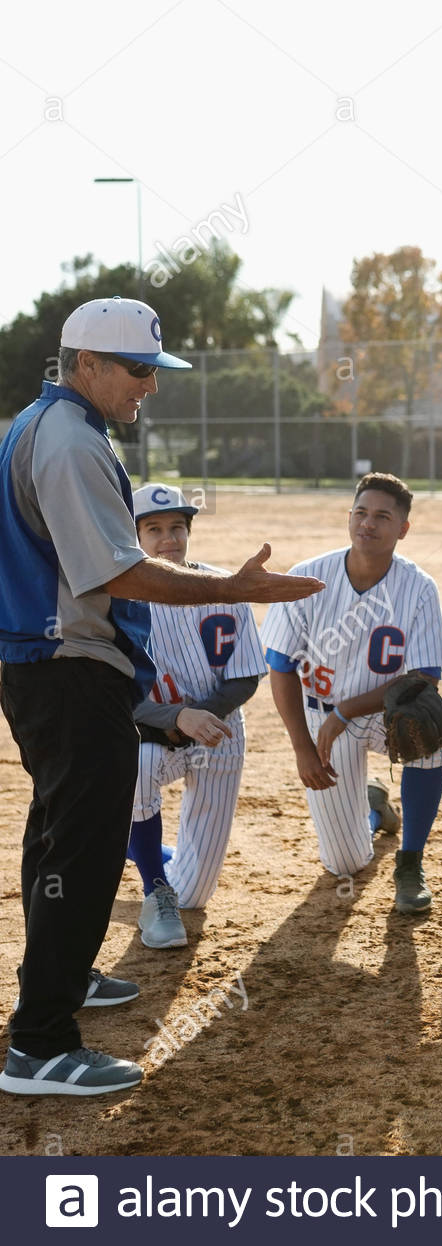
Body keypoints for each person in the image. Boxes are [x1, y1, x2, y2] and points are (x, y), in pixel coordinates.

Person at [0, 297, 323, 1097]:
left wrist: (228, 584)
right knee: (80, 843)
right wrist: (233, 586)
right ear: (86, 365)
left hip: (43, 661)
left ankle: (61, 980)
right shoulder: (72, 440)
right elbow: (117, 572)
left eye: (154, 370)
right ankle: (39, 1044)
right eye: (137, 370)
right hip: (70, 663)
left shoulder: (41, 425)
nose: (150, 385)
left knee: (58, 830)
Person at [262, 472, 442, 915]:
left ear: (402, 529)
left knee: (431, 735)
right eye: (361, 513)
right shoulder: (308, 577)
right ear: (349, 517)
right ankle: (373, 808)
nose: (368, 523)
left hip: (389, 714)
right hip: (320, 717)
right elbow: (280, 667)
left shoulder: (419, 587)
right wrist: (302, 747)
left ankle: (411, 861)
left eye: (382, 516)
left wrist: (349, 709)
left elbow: (425, 677)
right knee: (345, 863)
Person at [127, 482, 267, 949]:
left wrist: (198, 718)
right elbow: (115, 692)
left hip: (219, 733)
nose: (168, 539)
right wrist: (177, 718)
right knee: (136, 767)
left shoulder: (224, 588)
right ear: (133, 535)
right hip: (150, 733)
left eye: (177, 528)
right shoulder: (118, 598)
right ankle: (153, 886)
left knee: (195, 895)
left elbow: (246, 675)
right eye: (154, 529)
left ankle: (139, 850)